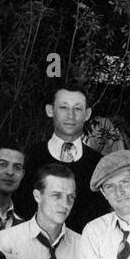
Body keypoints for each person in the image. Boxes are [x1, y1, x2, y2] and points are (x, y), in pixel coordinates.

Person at [19, 84, 106, 231]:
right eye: (63, 107)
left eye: (77, 108)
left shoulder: (100, 164)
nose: (71, 115)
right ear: (50, 110)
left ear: (87, 114)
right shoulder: (28, 158)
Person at [0, 142, 29, 231]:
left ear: (22, 175)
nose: (10, 172)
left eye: (17, 167)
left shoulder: (24, 229)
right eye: (2, 164)